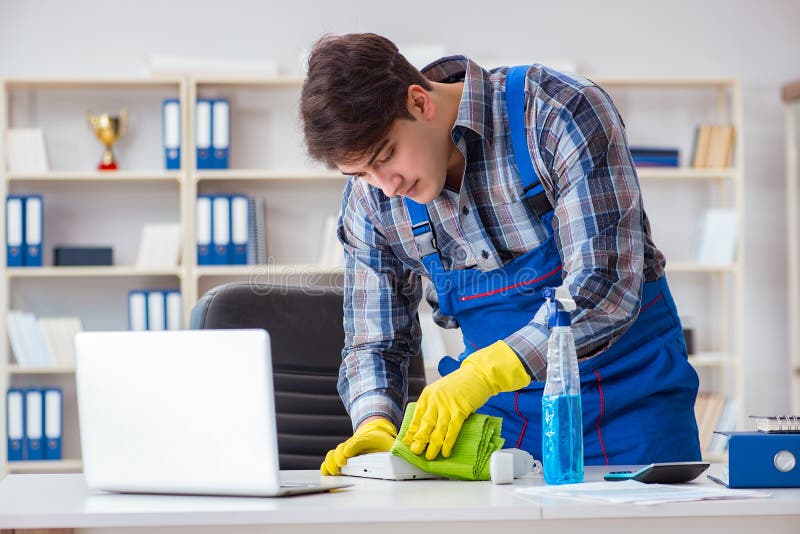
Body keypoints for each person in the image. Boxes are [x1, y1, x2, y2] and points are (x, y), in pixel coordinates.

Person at [300, 33, 702, 476]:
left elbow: (603, 284)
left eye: (386, 156)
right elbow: (376, 340)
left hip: (632, 402)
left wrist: (484, 372)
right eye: (362, 173)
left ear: (419, 102)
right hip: (504, 431)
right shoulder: (370, 199)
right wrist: (375, 421)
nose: (386, 185)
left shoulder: (557, 113)